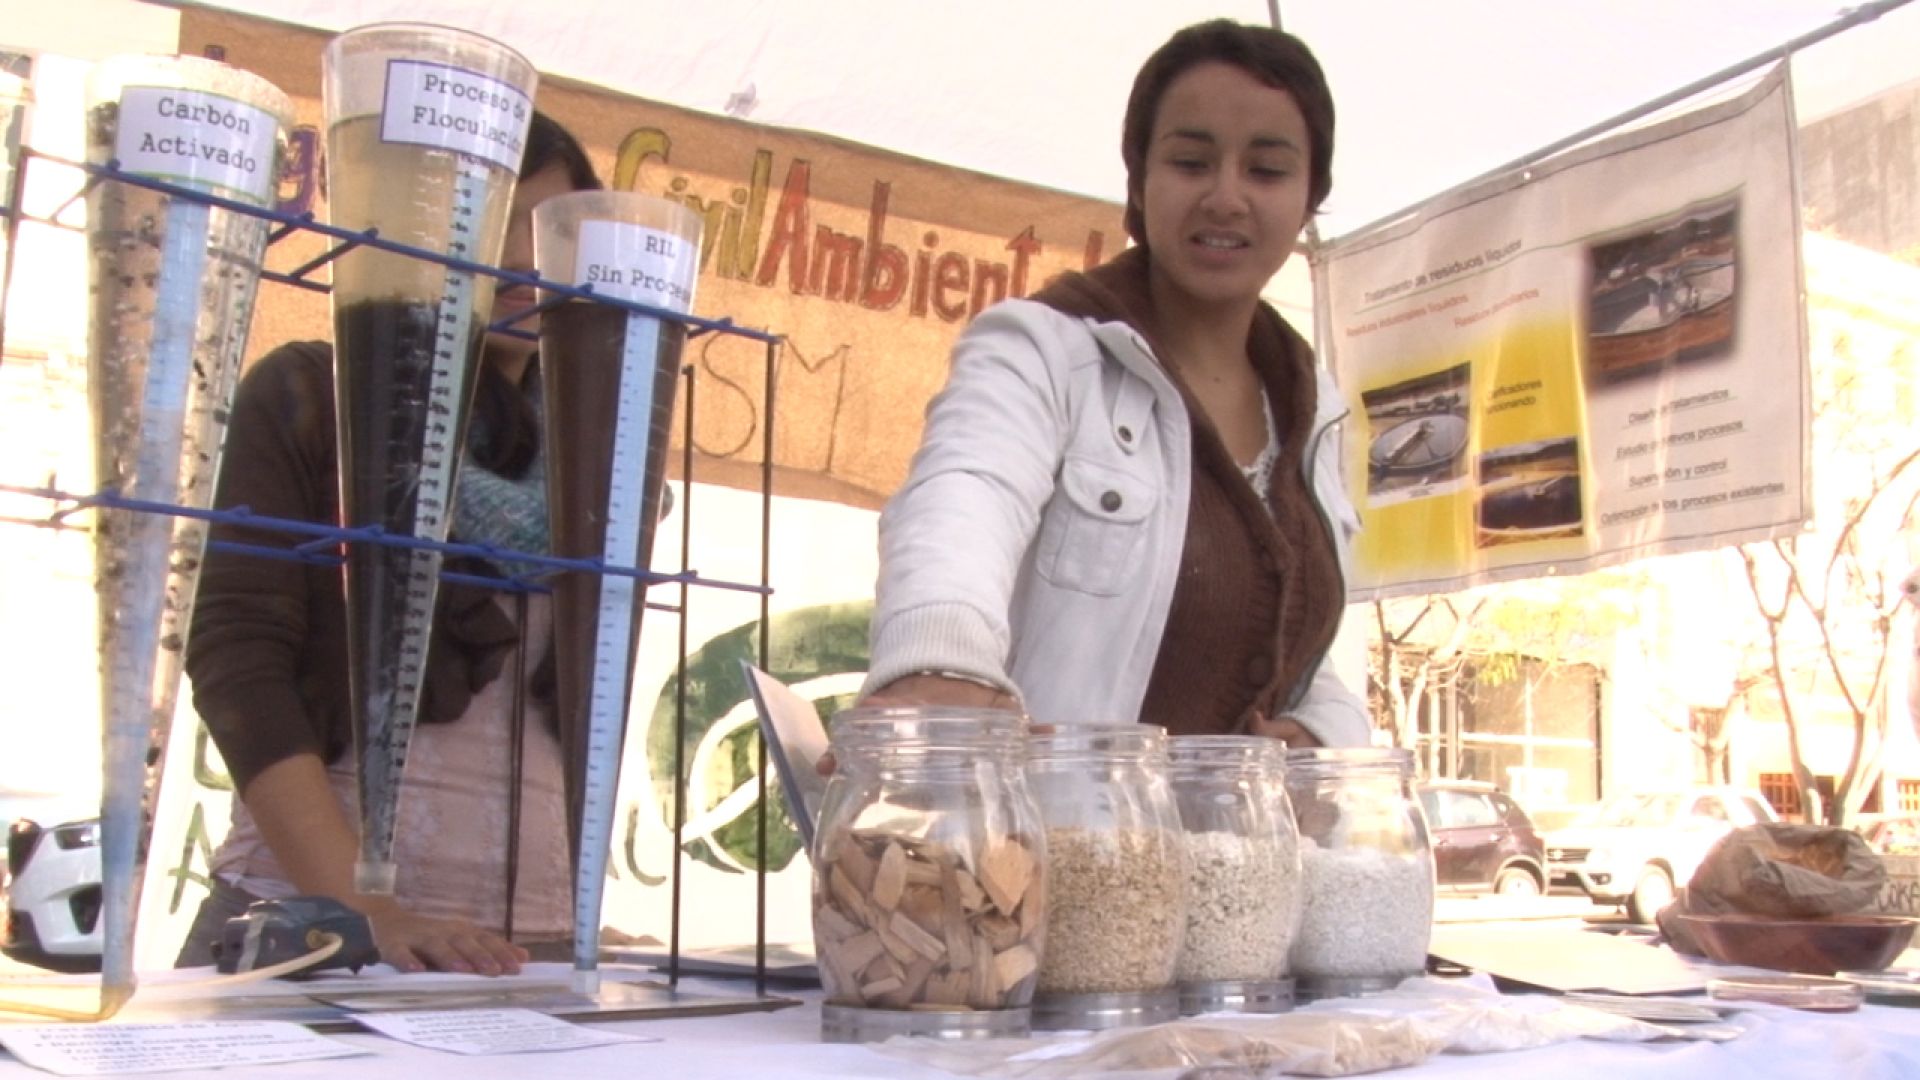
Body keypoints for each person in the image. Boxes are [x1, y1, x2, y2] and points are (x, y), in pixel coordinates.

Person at [862, 20, 1370, 749]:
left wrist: (1322, 732)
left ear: (1310, 197)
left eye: (1266, 170)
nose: (1226, 198)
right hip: (1047, 819)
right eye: (1191, 162)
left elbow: (1302, 650)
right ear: (1139, 179)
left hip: (1247, 828)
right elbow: (965, 495)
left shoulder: (1314, 410)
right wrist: (940, 660)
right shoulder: (1043, 349)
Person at [176, 112, 601, 975]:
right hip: (316, 931)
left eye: (551, 225)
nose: (523, 257)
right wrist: (369, 912)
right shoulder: (318, 395)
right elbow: (237, 660)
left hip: (526, 951)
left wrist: (571, 919)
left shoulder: (597, 458)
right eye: (493, 220)